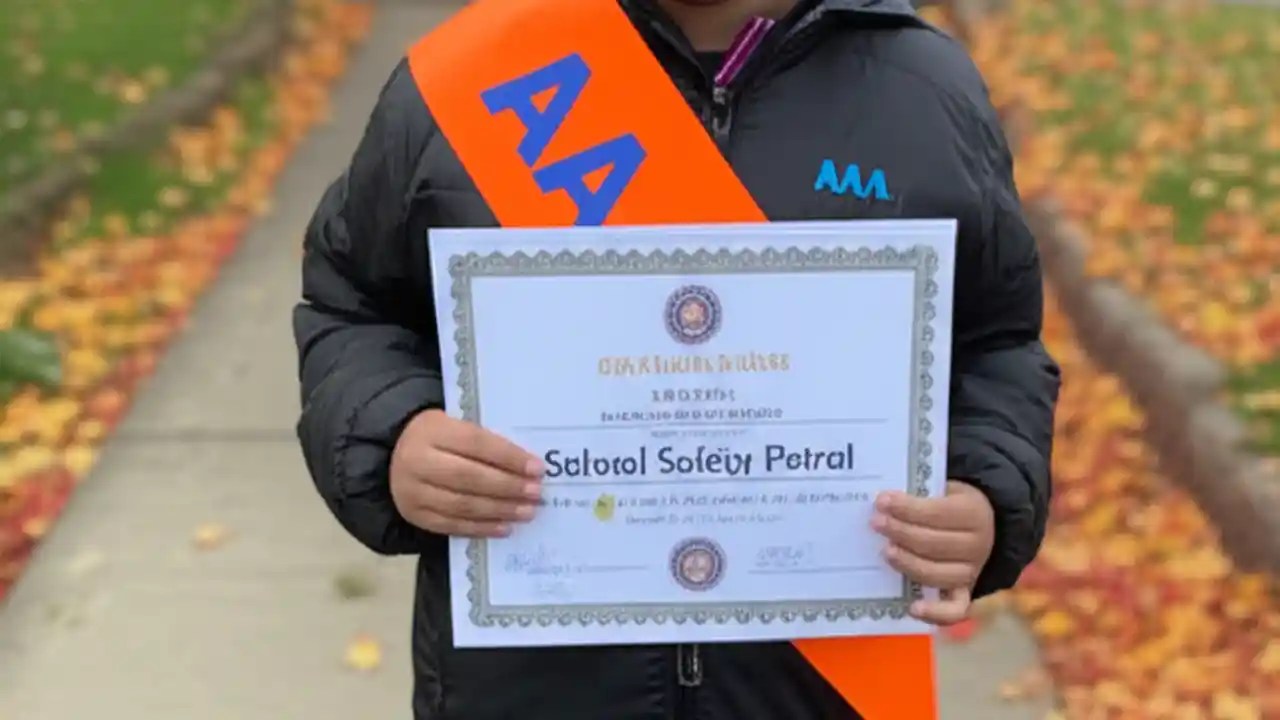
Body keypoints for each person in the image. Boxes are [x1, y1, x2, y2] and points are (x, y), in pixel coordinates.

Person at [293, 0, 1061, 718]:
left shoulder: (922, 92)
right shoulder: (470, 78)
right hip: (530, 690)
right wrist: (394, 434)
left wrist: (985, 491)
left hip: (820, 687)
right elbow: (351, 303)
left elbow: (995, 341)